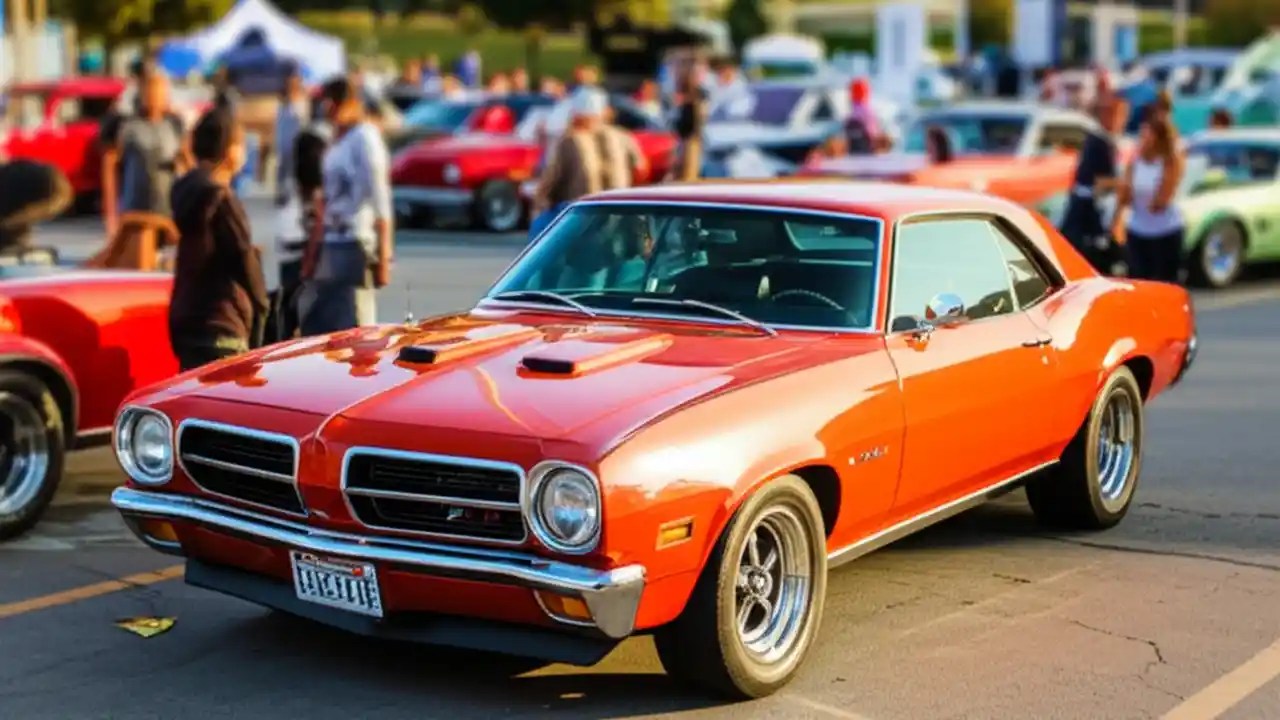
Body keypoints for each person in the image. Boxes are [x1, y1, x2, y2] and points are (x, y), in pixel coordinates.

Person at [168, 109, 269, 371]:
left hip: (187, 318)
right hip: (221, 323)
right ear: (230, 150)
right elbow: (242, 258)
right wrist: (263, 306)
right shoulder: (221, 198)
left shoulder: (184, 191)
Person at [298, 77, 393, 335]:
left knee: (355, 328)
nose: (328, 113)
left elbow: (380, 198)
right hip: (331, 241)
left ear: (350, 104)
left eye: (332, 106)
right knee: (321, 327)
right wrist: (313, 250)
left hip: (355, 241)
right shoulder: (338, 139)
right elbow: (326, 200)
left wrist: (384, 253)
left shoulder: (365, 137)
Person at [530, 88, 643, 237]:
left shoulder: (570, 141)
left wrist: (540, 203)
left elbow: (552, 181)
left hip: (582, 215)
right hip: (618, 214)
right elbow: (640, 169)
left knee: (539, 225)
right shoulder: (623, 137)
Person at [100, 68, 189, 238]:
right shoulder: (126, 126)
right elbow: (109, 170)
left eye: (159, 91)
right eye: (149, 90)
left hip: (169, 214)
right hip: (136, 213)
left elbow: (188, 165)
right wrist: (110, 216)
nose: (154, 96)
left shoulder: (174, 125)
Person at [1058, 95, 1129, 271]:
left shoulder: (1105, 141)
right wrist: (1125, 184)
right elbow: (1098, 182)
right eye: (1117, 115)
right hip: (1088, 214)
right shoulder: (1099, 142)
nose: (1121, 121)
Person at [1113, 117, 1185, 283]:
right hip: (1138, 231)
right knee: (1138, 283)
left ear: (1159, 139)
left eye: (1147, 135)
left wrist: (1137, 196)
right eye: (1142, 135)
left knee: (1165, 285)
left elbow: (1161, 202)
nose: (1142, 140)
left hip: (1165, 232)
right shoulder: (1135, 161)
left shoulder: (1169, 162)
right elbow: (1125, 197)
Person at [670, 64, 708, 181]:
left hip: (692, 137)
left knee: (690, 169)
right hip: (681, 136)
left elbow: (701, 116)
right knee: (679, 165)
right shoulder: (683, 91)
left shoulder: (700, 93)